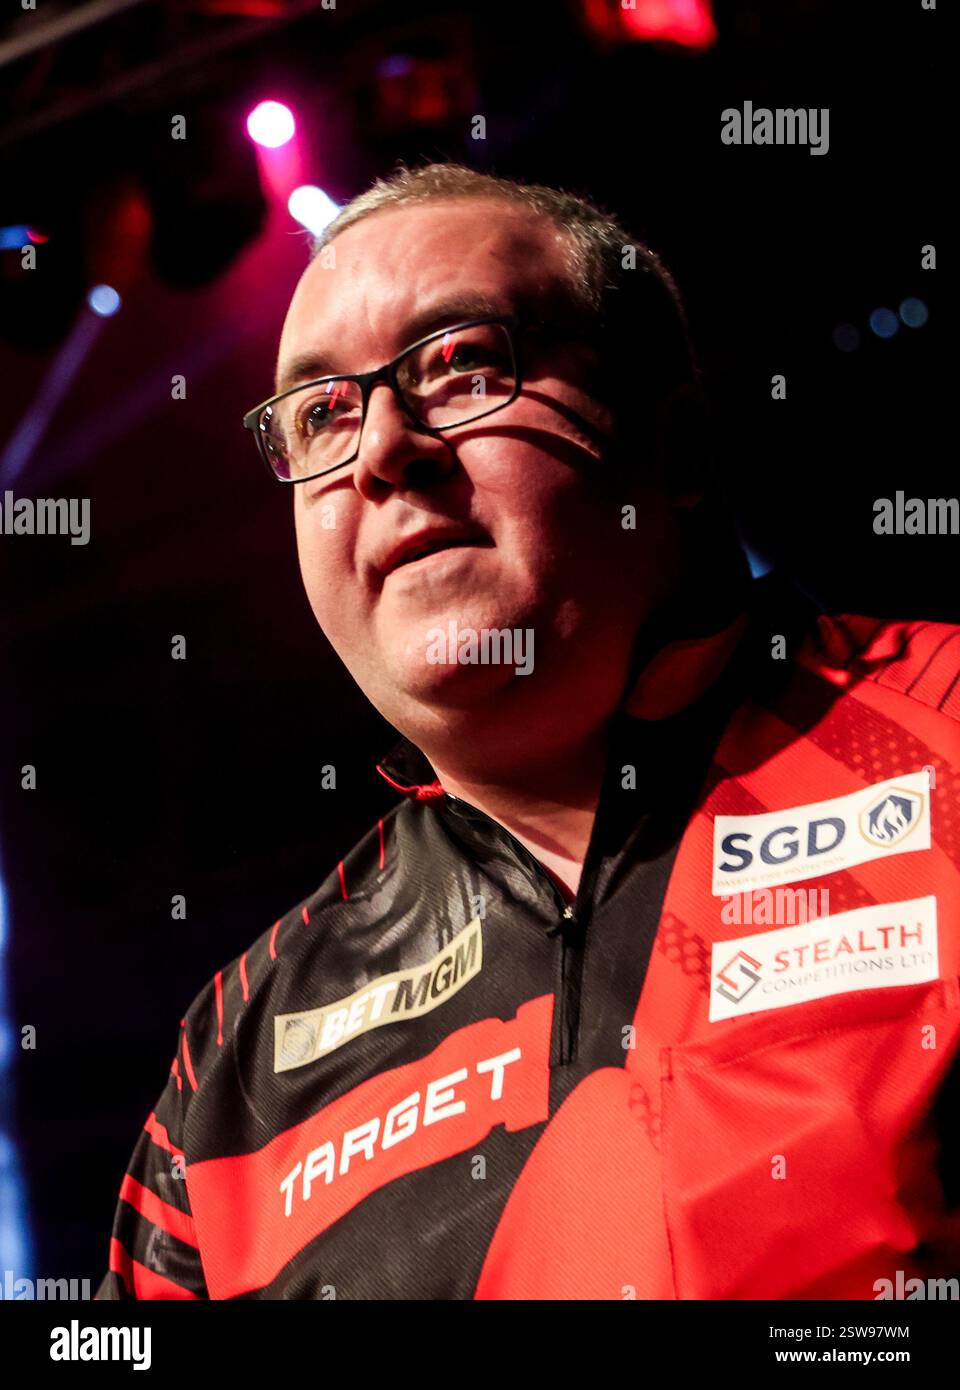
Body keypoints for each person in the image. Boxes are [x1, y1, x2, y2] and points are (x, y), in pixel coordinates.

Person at [95, 163, 960, 1301]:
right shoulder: (234, 1060)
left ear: (677, 446)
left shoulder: (944, 739)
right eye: (323, 413)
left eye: (462, 364)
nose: (382, 450)